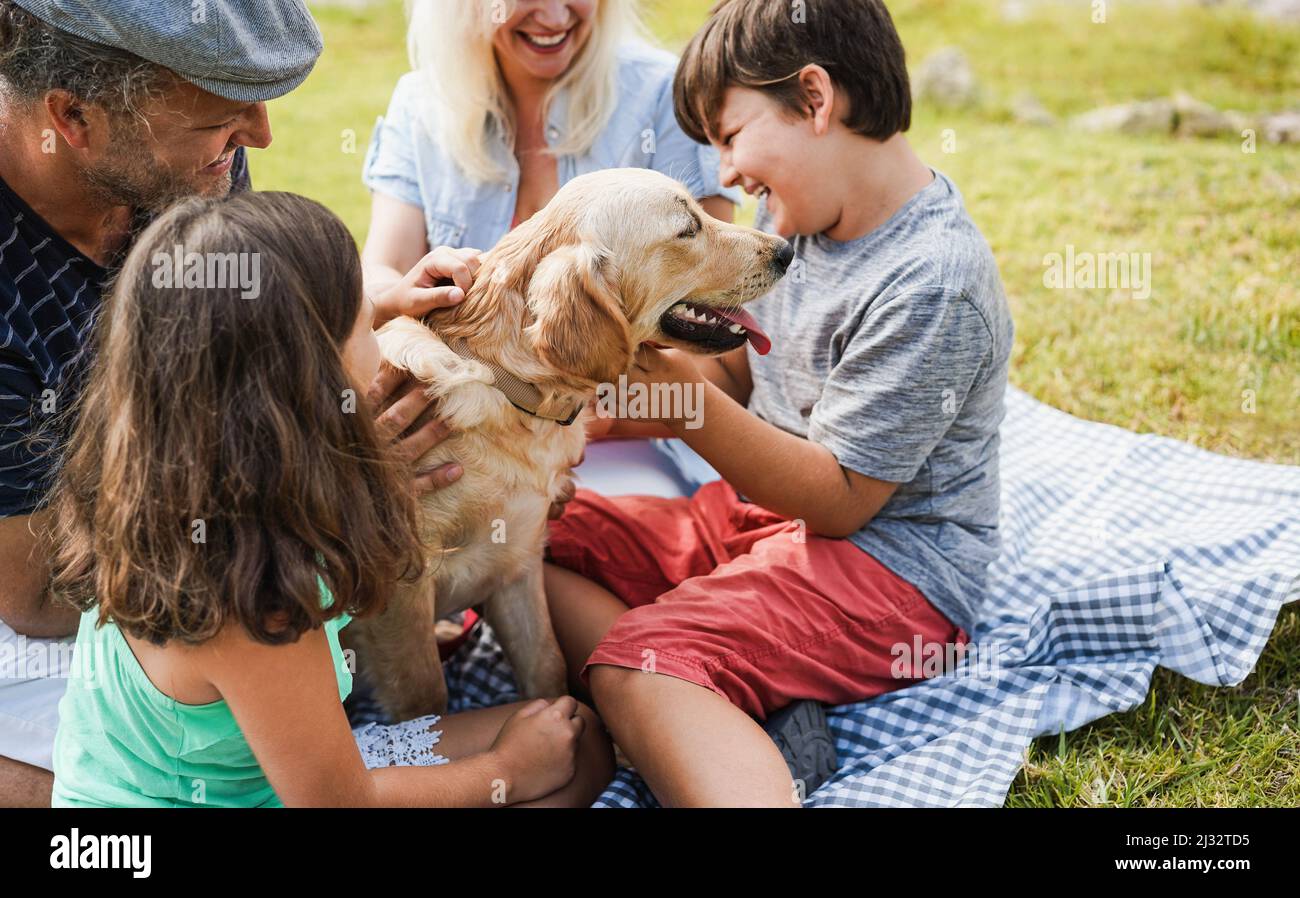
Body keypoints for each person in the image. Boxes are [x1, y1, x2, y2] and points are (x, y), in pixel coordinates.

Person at [543, 0, 1016, 807]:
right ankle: (733, 693)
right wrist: (571, 409)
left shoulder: (932, 281)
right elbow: (742, 381)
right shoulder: (797, 221)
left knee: (638, 663)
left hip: (890, 573)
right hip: (759, 522)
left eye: (729, 137)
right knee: (538, 533)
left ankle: (689, 703)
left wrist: (685, 405)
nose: (725, 175)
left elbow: (837, 501)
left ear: (815, 98)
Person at [0, 0, 462, 806]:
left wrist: (370, 304)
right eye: (220, 116)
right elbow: (39, 599)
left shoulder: (180, 157)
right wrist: (326, 481)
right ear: (73, 117)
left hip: (173, 544)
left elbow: (240, 345)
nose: (260, 134)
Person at [49, 191, 614, 808]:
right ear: (312, 373)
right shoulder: (251, 596)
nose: (388, 327)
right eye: (367, 318)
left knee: (572, 738)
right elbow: (339, 803)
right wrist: (506, 769)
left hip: (247, 778)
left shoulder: (179, 494)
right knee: (559, 758)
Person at [361, 0, 742, 499]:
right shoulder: (422, 102)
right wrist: (403, 294)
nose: (556, 14)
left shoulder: (660, 95)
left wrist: (550, 434)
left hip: (624, 441)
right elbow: (381, 268)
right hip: (469, 433)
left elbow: (718, 338)